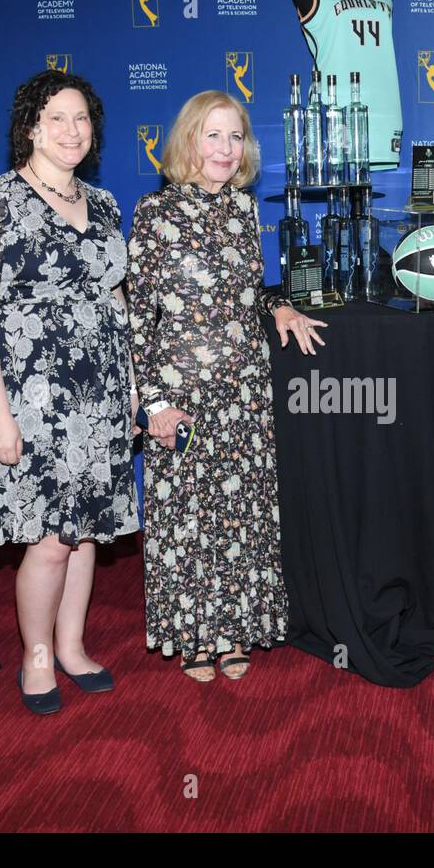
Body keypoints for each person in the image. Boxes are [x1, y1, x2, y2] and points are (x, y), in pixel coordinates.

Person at [126, 90, 325, 683]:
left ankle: (235, 626)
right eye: (212, 135)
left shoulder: (242, 210)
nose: (224, 148)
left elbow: (241, 291)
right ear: (189, 141)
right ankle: (194, 633)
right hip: (181, 391)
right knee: (187, 513)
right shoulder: (154, 213)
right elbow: (138, 314)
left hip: (244, 389)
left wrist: (280, 306)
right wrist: (153, 404)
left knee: (240, 513)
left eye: (235, 136)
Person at [0, 70, 138, 715]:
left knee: (87, 533)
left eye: (82, 118)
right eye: (55, 118)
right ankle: (35, 654)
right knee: (49, 539)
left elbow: (117, 299)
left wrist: (135, 387)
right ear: (29, 127)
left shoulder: (107, 204)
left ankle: (70, 644)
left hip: (104, 395)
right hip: (35, 400)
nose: (71, 131)